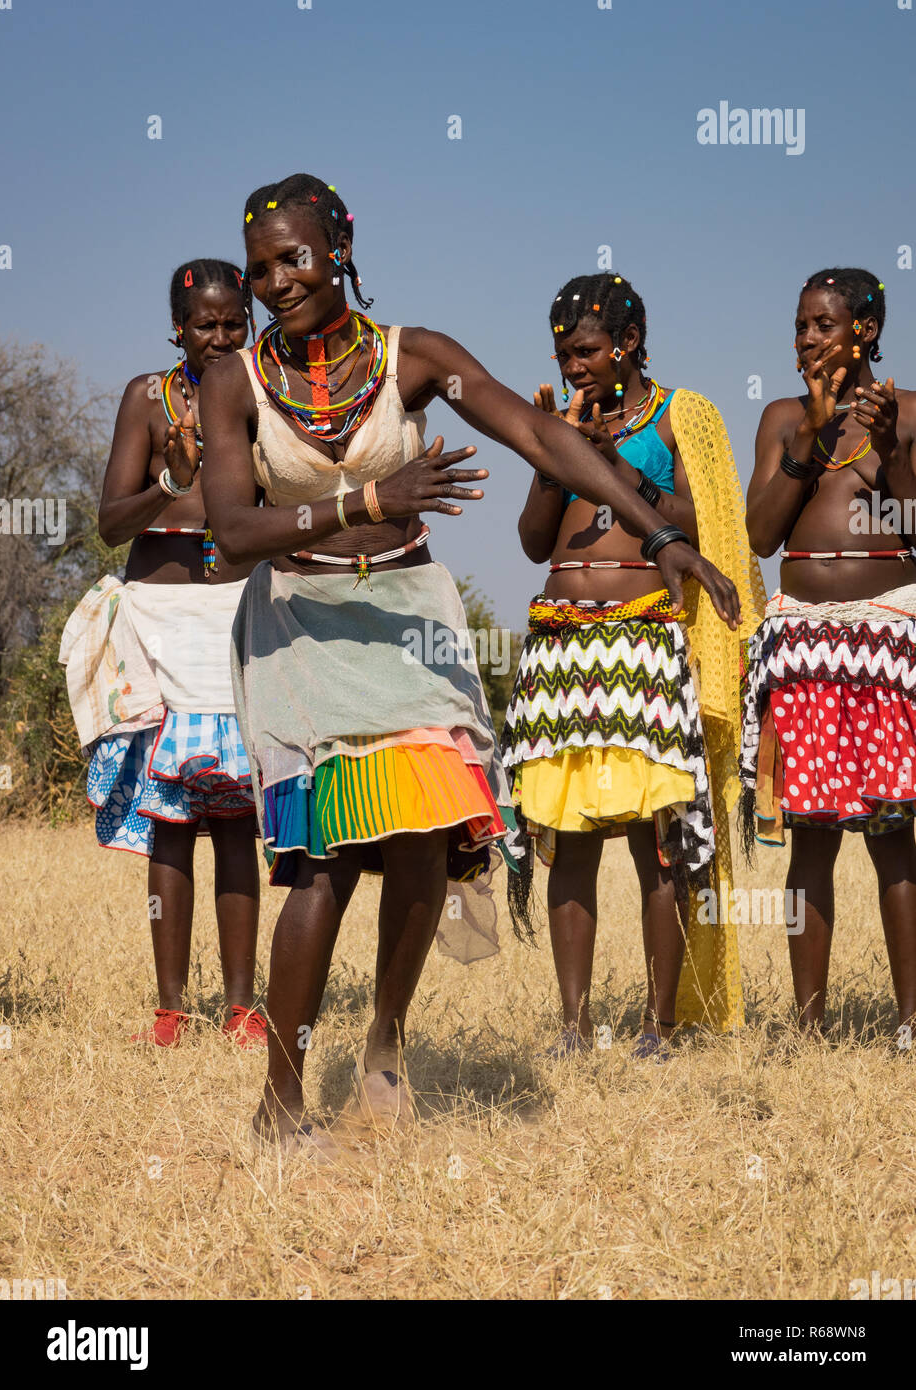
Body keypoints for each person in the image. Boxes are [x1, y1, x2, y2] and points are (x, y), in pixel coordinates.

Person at [199, 173, 741, 1158]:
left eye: (298, 257)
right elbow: (232, 534)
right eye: (262, 265)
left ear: (341, 250)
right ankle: (280, 1105)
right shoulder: (233, 381)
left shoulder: (415, 359)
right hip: (300, 626)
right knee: (321, 861)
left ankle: (386, 1048)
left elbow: (537, 431)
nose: (278, 280)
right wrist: (365, 501)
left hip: (409, 618)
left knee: (421, 842)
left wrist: (658, 531)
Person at [500, 273, 765, 1060]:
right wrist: (554, 454)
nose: (574, 364)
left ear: (627, 343)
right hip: (562, 641)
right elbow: (531, 541)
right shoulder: (561, 425)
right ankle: (574, 1025)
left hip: (645, 639)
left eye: (585, 350)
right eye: (562, 352)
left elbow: (703, 522)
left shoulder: (683, 416)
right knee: (570, 837)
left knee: (658, 840)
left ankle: (658, 1023)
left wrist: (616, 464)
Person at [60, 260, 265, 1048]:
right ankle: (172, 1008)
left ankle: (244, 1006)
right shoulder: (147, 399)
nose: (219, 337)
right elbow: (112, 523)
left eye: (232, 323)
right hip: (159, 622)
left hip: (239, 618)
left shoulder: (260, 394)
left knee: (238, 819)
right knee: (172, 820)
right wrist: (170, 479)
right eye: (203, 324)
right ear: (175, 328)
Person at [741, 267, 916, 1036]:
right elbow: (756, 535)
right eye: (799, 326)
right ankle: (807, 1027)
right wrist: (807, 440)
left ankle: (910, 1020)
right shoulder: (783, 417)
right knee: (808, 836)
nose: (804, 340)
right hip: (803, 643)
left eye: (820, 325)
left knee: (892, 835)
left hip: (884, 638)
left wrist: (891, 450)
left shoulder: (908, 413)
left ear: (865, 332)